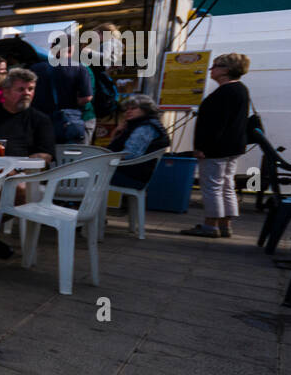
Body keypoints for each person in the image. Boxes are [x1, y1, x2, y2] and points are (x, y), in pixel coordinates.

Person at [182, 52, 252, 238]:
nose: (211, 70)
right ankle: (225, 225)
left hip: (215, 148)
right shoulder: (241, 90)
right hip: (233, 146)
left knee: (212, 186)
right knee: (227, 185)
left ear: (226, 70)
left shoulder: (224, 92)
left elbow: (215, 124)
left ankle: (210, 225)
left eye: (215, 66)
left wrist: (203, 147)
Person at [107, 95, 170, 189]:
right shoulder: (137, 124)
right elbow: (114, 147)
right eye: (126, 109)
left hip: (131, 176)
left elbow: (130, 154)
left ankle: (86, 203)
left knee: (85, 173)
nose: (128, 112)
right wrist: (116, 132)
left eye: (133, 108)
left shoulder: (145, 128)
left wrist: (105, 160)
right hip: (127, 172)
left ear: (146, 109)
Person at [30, 55, 92, 144]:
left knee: (43, 152)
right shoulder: (79, 68)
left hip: (41, 121)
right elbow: (86, 97)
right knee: (71, 154)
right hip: (68, 122)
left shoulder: (35, 68)